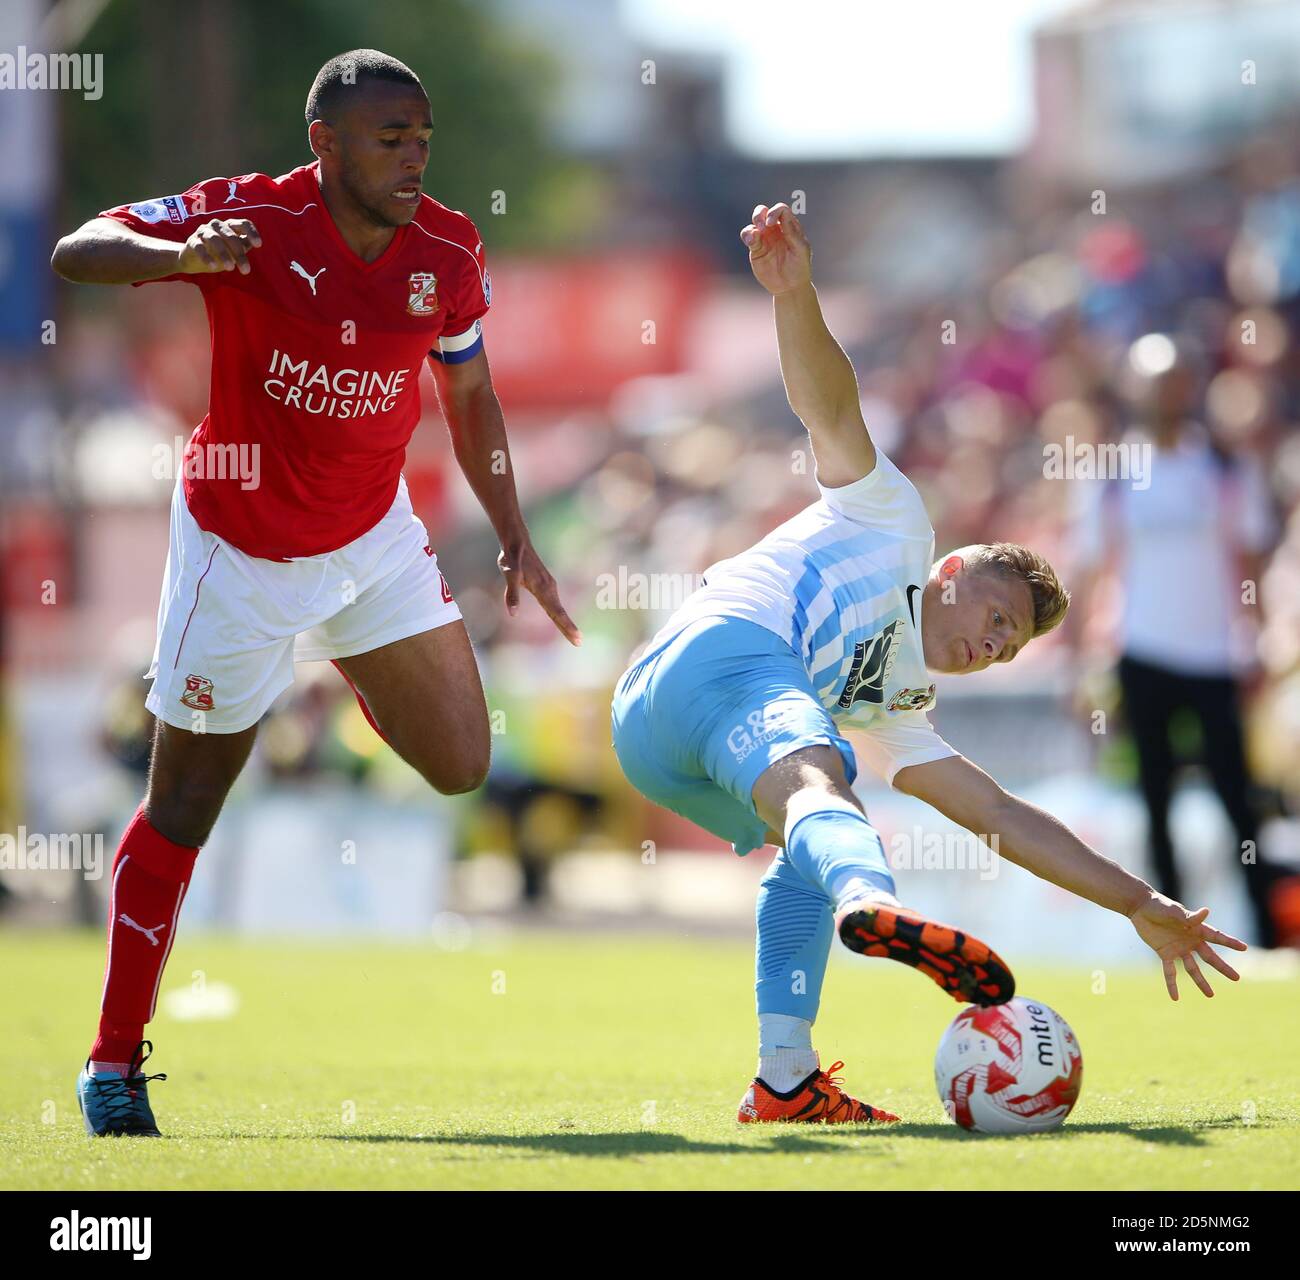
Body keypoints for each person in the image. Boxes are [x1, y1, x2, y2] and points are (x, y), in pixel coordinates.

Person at [610, 203, 1247, 1126]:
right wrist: (795, 295)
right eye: (993, 615)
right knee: (824, 785)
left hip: (672, 752)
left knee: (809, 837)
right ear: (949, 572)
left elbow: (995, 814)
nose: (992, 645)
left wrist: (1139, 901)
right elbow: (828, 406)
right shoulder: (895, 520)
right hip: (715, 656)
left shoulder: (900, 703)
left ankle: (785, 1081)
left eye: (1008, 645)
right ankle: (871, 902)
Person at [50, 49, 578, 1137]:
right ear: (324, 143)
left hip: (369, 540)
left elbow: (468, 388)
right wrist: (178, 250)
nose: (414, 155)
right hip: (236, 547)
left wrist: (516, 533)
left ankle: (347, 652)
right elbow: (75, 249)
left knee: (463, 762)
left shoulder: (447, 248)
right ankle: (112, 1060)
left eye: (422, 136)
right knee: (185, 808)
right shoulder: (250, 215)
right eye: (391, 137)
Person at [1070, 335, 1282, 949]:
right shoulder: (1111, 476)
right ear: (1135, 389)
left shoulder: (1222, 469)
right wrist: (1080, 663)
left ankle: (1267, 938)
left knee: (1239, 802)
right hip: (1143, 655)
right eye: (1153, 381)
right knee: (1155, 801)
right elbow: (1091, 571)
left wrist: (1258, 637)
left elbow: (1250, 560)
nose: (1166, 393)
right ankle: (1172, 933)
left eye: (1176, 380)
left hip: (1215, 656)